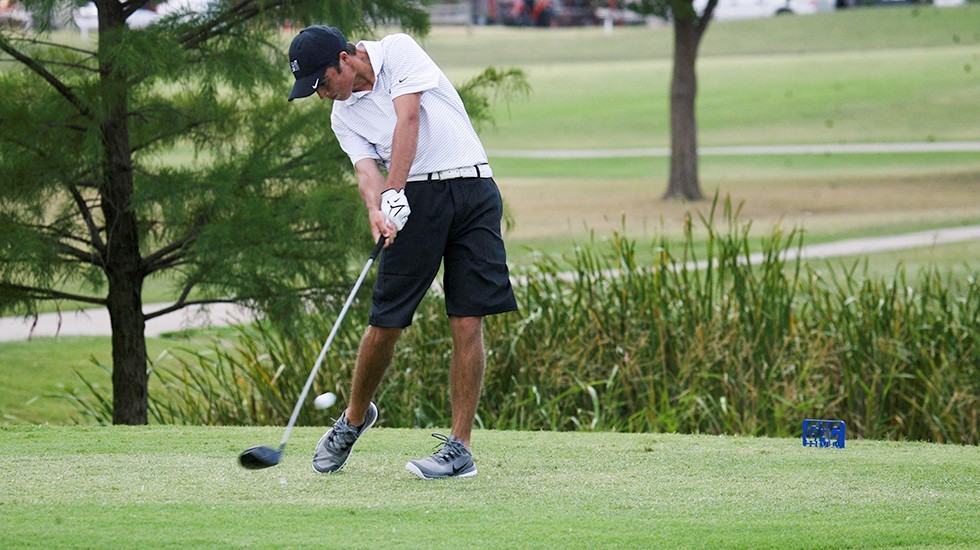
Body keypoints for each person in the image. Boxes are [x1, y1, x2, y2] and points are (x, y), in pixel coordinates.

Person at [286, 25, 518, 480]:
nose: (322, 94)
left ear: (344, 59)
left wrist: (395, 189)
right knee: (385, 323)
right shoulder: (342, 116)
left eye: (323, 82)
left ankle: (460, 447)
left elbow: (407, 119)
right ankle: (354, 418)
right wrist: (377, 208)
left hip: (472, 188)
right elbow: (366, 170)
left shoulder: (398, 50)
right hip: (413, 205)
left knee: (468, 318)